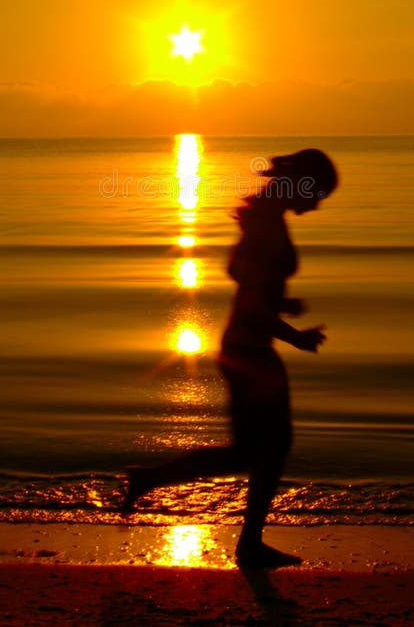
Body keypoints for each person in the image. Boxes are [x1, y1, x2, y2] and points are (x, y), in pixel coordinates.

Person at [122, 148, 339, 568]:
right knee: (271, 448)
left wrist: (281, 303)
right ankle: (247, 545)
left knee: (249, 451)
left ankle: (149, 479)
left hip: (244, 347)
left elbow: (242, 280)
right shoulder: (267, 229)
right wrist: (294, 335)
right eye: (320, 194)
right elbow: (253, 303)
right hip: (251, 352)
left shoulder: (264, 221)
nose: (318, 204)